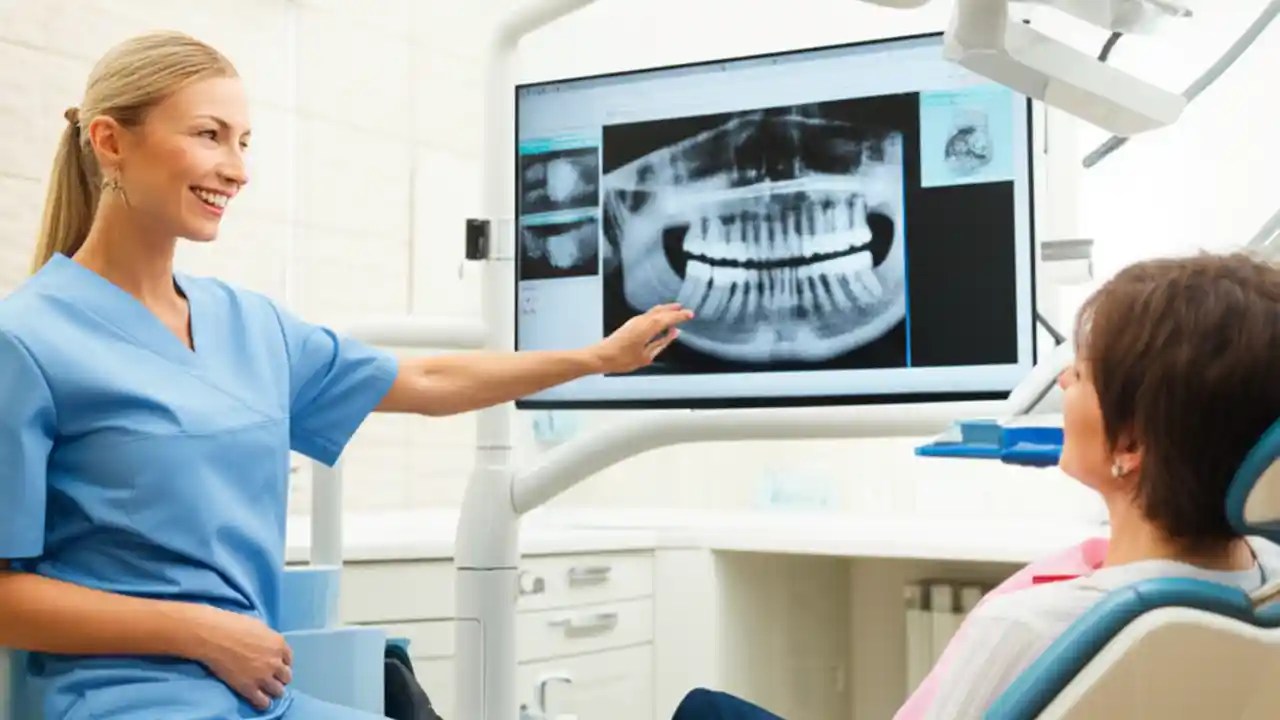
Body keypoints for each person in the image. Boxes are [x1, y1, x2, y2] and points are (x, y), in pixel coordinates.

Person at [0, 31, 692, 720]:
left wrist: (598, 358)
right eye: (210, 136)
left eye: (245, 142)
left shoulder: (250, 325)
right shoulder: (28, 341)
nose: (236, 169)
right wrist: (197, 631)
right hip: (120, 700)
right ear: (110, 142)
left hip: (255, 694)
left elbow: (426, 379)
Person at [916, 251, 1280, 718]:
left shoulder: (1026, 628)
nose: (1064, 379)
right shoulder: (1267, 591)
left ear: (1129, 442)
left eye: (1082, 373)